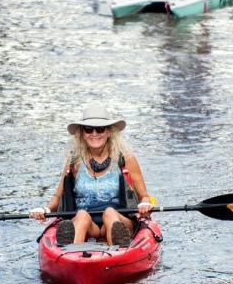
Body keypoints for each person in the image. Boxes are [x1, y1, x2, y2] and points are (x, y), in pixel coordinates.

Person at [29, 105, 155, 247]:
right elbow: (58, 196)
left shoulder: (126, 159)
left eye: (100, 129)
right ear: (82, 133)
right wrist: (44, 210)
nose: (94, 134)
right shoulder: (74, 161)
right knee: (82, 215)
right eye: (88, 129)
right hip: (89, 226)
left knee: (109, 213)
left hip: (120, 218)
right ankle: (71, 253)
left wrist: (144, 204)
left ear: (109, 132)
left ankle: (118, 248)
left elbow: (144, 196)